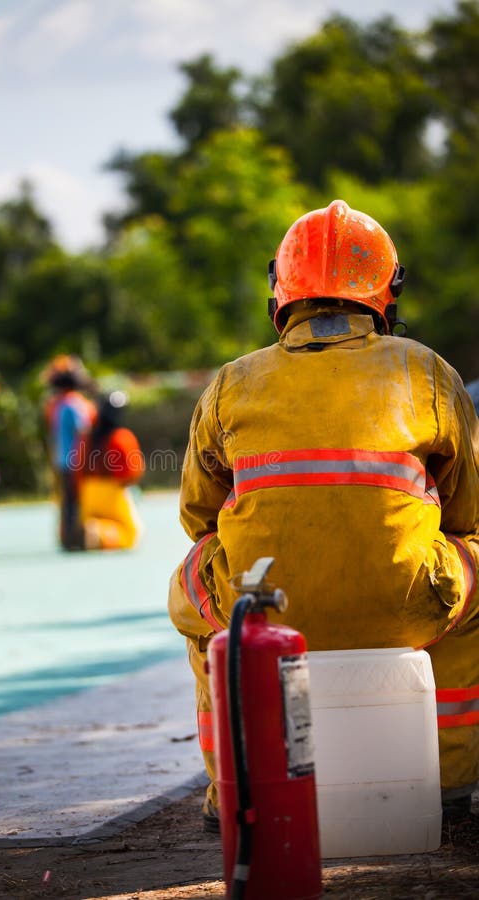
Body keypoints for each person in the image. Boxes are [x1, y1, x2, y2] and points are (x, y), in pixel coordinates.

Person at [168, 199, 479, 832]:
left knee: (193, 588)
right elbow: (467, 510)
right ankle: (448, 779)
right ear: (387, 293)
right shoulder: (428, 374)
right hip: (407, 611)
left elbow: (198, 516)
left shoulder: (231, 384)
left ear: (280, 293)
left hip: (267, 611)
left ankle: (230, 790)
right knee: (469, 564)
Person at [78, 390, 145, 550]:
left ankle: (95, 526)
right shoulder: (122, 437)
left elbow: (78, 466)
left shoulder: (87, 437)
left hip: (88, 489)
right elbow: (132, 472)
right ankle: (100, 533)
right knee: (131, 535)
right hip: (112, 490)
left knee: (102, 518)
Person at [43, 355, 97, 551]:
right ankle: (73, 537)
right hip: (74, 460)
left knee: (67, 501)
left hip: (61, 459)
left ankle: (67, 536)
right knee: (74, 501)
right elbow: (83, 432)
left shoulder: (56, 405)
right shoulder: (74, 404)